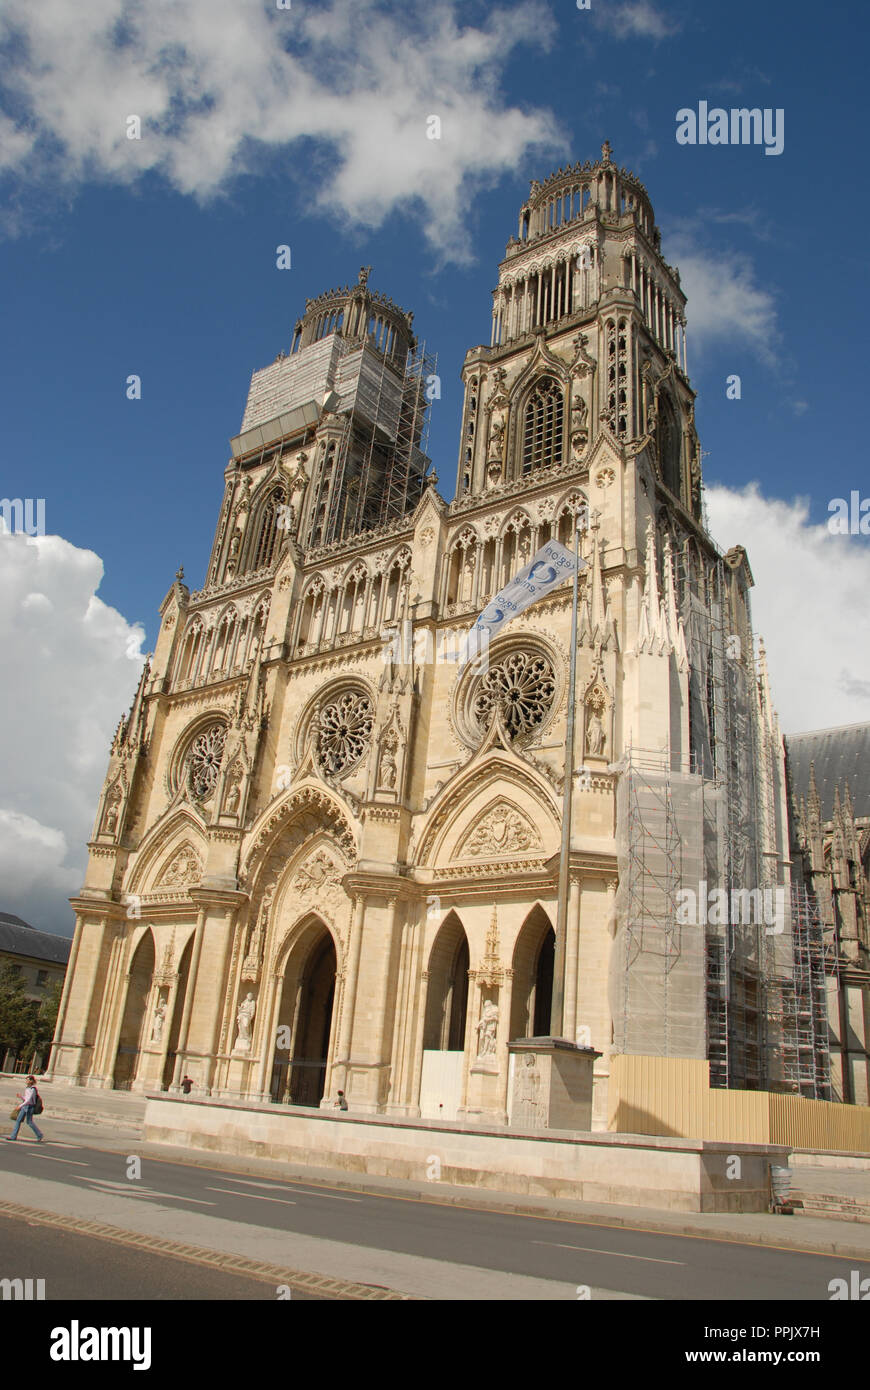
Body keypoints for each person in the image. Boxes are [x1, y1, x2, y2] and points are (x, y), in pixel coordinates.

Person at [5, 1076, 44, 1142]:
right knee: (18, 1120)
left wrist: (20, 1106)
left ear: (31, 1081)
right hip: (25, 1106)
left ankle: (39, 1135)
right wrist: (21, 1097)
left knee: (29, 1122)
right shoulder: (27, 1088)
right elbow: (26, 1098)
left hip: (29, 1107)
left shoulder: (32, 1089)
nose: (26, 1081)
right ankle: (13, 1136)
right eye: (26, 1080)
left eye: (28, 1080)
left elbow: (29, 1100)